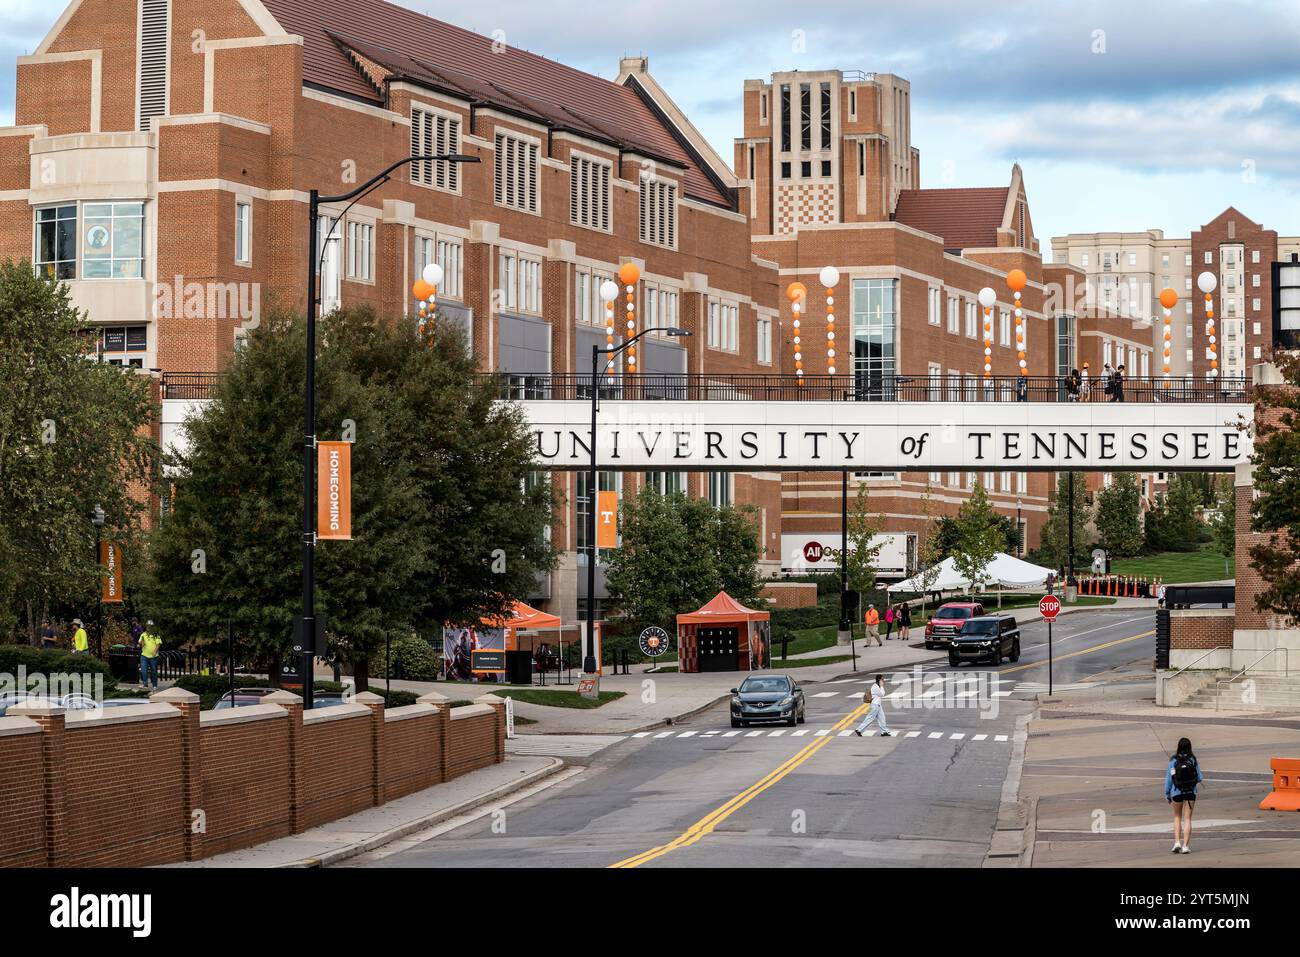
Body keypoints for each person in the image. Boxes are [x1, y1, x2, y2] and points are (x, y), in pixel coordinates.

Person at [1165, 737, 1204, 854]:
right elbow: (1200, 777)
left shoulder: (1173, 761)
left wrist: (1167, 794)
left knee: (1177, 817)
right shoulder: (1193, 760)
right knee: (1187, 819)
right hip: (1190, 793)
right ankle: (1185, 846)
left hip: (1176, 792)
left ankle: (1177, 842)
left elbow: (1168, 780)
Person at [137, 621, 162, 690]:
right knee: (143, 670)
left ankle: (154, 685)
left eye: (150, 626)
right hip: (144, 656)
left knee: (153, 671)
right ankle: (145, 684)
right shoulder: (143, 634)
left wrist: (154, 652)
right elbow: (140, 643)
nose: (149, 627)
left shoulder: (156, 635)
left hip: (154, 657)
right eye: (148, 626)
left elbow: (158, 644)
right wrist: (141, 644)